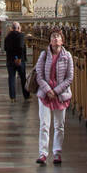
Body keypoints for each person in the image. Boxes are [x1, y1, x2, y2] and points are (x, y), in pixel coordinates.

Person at [34, 27, 74, 165]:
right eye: (53, 37)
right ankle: (43, 153)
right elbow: (38, 74)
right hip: (45, 94)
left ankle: (57, 153)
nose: (55, 38)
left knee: (59, 125)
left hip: (60, 95)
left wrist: (56, 91)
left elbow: (69, 77)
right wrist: (48, 90)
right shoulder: (44, 55)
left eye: (58, 36)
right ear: (50, 41)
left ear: (62, 41)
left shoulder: (67, 56)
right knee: (44, 124)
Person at [3, 21, 29, 102]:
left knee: (11, 78)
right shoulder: (21, 35)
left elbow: (5, 48)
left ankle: (12, 97)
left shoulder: (7, 36)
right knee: (23, 78)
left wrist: (14, 56)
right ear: (18, 28)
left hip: (10, 60)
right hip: (19, 60)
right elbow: (20, 47)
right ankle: (26, 95)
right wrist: (18, 58)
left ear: (12, 28)